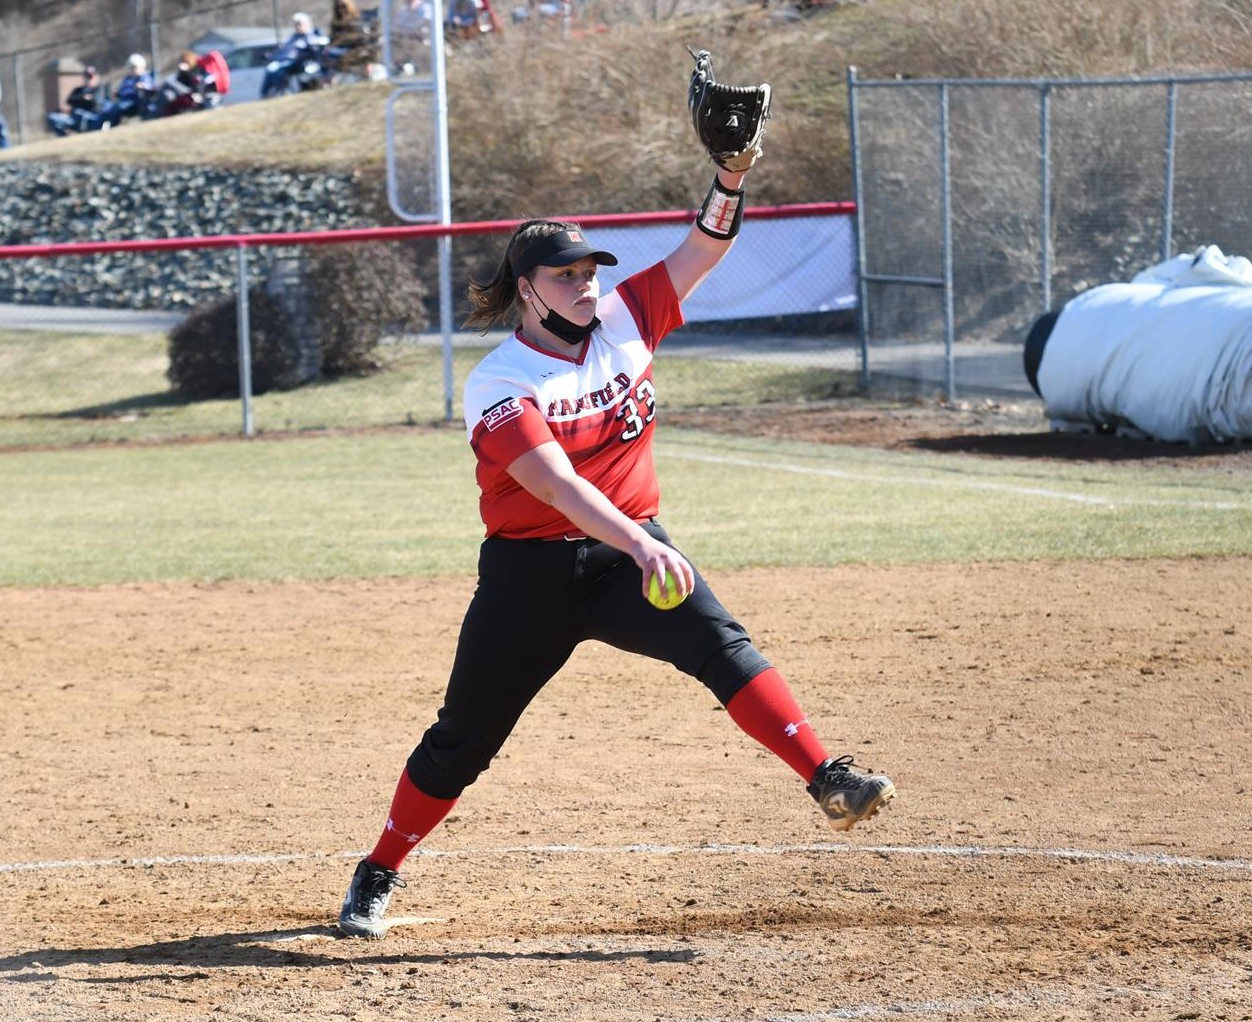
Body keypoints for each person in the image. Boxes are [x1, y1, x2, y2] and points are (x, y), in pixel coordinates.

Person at [334, 73, 894, 940]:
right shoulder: (502, 383)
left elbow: (702, 251)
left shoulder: (630, 314)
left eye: (593, 267)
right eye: (568, 274)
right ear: (530, 290)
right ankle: (379, 870)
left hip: (631, 557)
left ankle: (829, 777)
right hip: (532, 575)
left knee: (722, 645)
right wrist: (642, 542)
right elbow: (556, 486)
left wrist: (732, 176)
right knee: (463, 740)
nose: (589, 283)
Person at [262, 12, 332, 97]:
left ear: (307, 23)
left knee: (277, 70)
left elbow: (323, 45)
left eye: (299, 24)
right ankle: (270, 93)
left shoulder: (314, 34)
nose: (297, 27)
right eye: (296, 24)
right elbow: (285, 50)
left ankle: (277, 91)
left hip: (306, 63)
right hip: (289, 62)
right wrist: (273, 56)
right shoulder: (294, 37)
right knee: (272, 70)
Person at [45, 65, 107, 137]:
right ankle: (65, 137)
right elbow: (69, 100)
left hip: (92, 118)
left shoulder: (101, 89)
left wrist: (81, 100)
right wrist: (83, 98)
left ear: (97, 77)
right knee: (52, 117)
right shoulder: (78, 90)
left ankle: (83, 135)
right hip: (74, 119)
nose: (89, 79)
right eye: (87, 77)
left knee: (80, 113)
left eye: (91, 77)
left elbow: (95, 104)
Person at [108, 54, 157, 124]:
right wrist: (117, 93)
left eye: (134, 67)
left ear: (141, 67)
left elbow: (151, 87)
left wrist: (142, 86)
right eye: (130, 67)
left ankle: (113, 126)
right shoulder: (127, 79)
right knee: (108, 109)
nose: (132, 69)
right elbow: (122, 91)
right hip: (122, 101)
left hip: (134, 102)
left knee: (116, 109)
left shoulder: (144, 76)